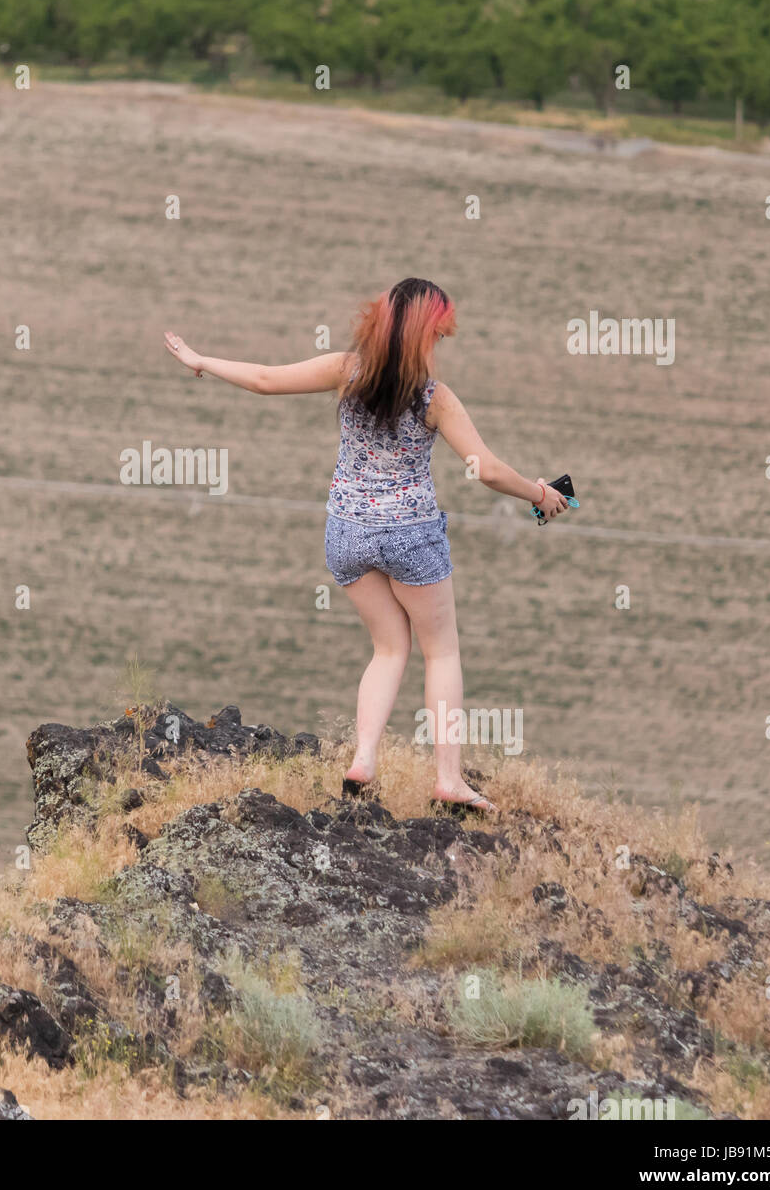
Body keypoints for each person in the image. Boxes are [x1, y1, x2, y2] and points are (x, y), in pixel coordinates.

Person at [163, 276, 568, 814]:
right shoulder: (435, 399)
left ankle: (364, 760)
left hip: (347, 534)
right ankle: (449, 779)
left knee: (388, 648)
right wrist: (539, 494)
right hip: (411, 537)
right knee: (440, 651)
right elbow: (487, 470)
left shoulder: (346, 371)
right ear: (425, 336)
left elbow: (263, 379)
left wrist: (201, 359)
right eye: (439, 336)